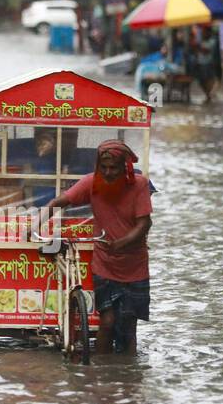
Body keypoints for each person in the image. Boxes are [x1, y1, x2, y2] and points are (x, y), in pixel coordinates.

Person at [42, 140, 152, 355]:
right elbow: (58, 203)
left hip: (134, 265)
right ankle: (101, 372)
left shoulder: (139, 185)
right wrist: (35, 224)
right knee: (107, 321)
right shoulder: (92, 183)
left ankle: (126, 375)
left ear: (125, 168)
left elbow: (144, 224)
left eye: (114, 168)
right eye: (104, 167)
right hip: (105, 264)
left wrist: (121, 243)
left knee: (128, 324)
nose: (108, 173)